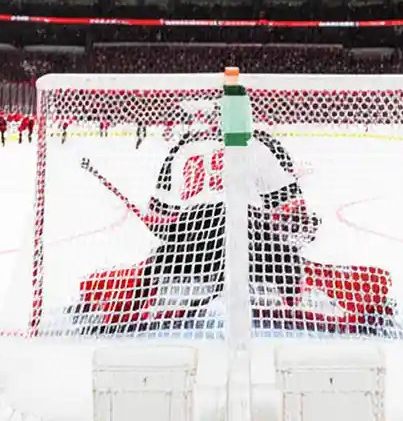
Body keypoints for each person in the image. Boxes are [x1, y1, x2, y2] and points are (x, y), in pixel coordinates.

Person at [121, 129, 318, 327]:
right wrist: (302, 228)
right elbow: (288, 207)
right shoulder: (256, 143)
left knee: (160, 259)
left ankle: (131, 309)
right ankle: (295, 305)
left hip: (195, 236)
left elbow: (162, 219)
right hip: (247, 232)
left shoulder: (183, 146)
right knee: (287, 259)